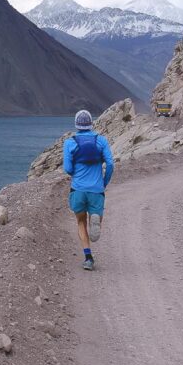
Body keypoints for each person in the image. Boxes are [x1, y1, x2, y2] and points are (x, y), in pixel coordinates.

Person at [62, 109, 114, 271]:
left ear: (76, 124)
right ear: (91, 123)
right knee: (94, 215)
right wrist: (103, 182)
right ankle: (96, 217)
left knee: (80, 221)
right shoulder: (101, 141)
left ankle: (88, 258)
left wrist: (76, 173)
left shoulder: (70, 142)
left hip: (78, 189)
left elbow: (67, 168)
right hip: (97, 190)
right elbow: (111, 164)